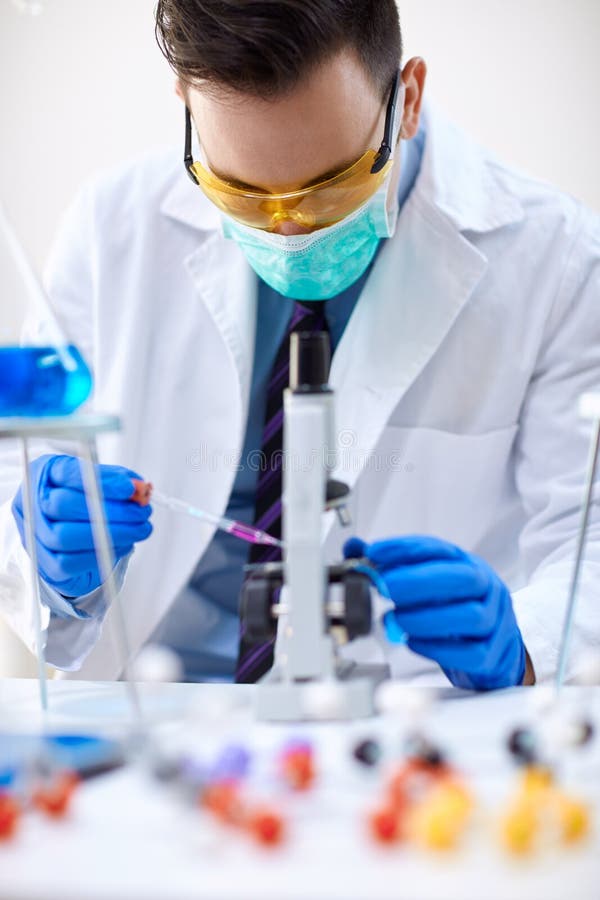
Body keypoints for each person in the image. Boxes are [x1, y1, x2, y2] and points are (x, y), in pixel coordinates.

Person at [0, 0, 598, 687]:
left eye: (330, 188)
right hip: (158, 701)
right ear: (186, 107)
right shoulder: (111, 228)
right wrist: (45, 551)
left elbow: (591, 546)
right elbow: (24, 473)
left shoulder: (557, 261)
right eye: (242, 193)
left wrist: (527, 641)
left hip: (407, 711)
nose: (288, 233)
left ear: (407, 100)